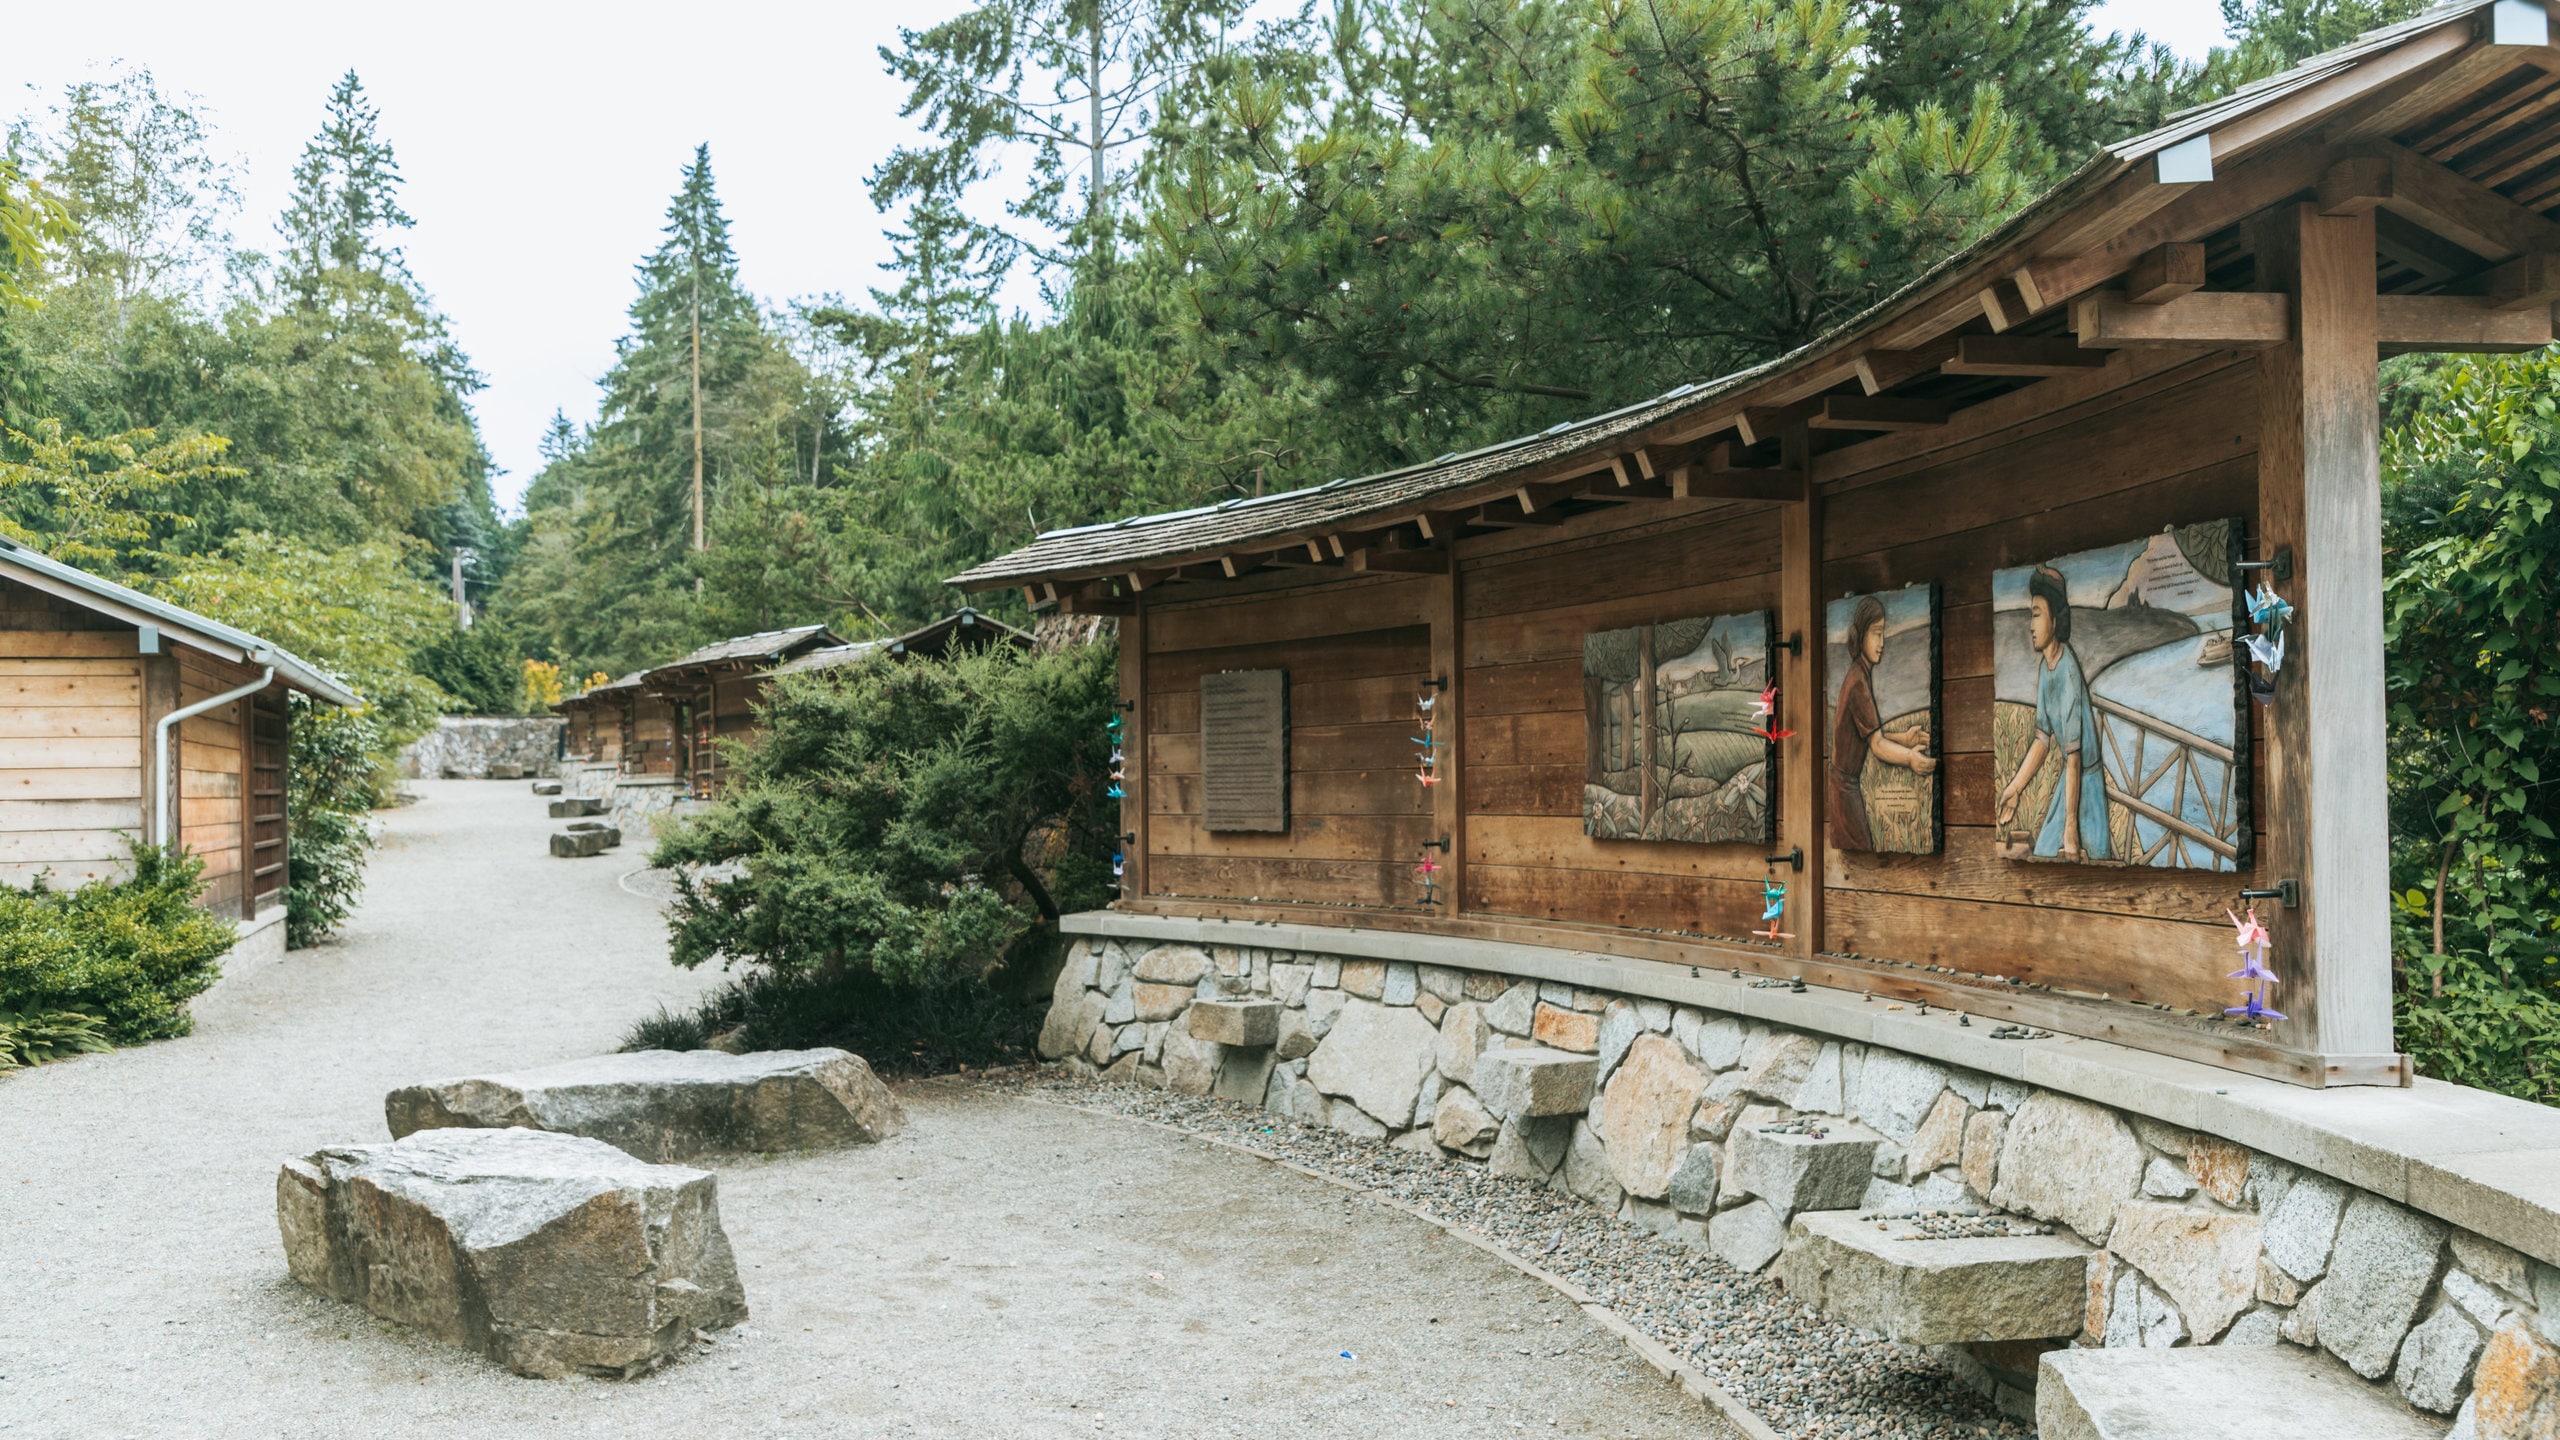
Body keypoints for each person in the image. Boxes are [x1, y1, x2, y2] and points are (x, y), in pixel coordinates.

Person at [1996, 567, 2112, 861]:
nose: (2030, 624)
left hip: (2085, 785)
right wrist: (2015, 788)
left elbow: (2074, 756)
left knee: (2084, 858)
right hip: (2070, 780)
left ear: (2055, 620)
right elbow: (2041, 739)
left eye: (2036, 614)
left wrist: (2070, 829)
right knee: (2046, 851)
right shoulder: (2046, 670)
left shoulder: (2068, 671)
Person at [1829, 594, 1936, 851]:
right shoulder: (1858, 682)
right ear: (1862, 634)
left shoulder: (1859, 673)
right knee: (1861, 846)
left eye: (1883, 633)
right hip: (1844, 790)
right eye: (1877, 633)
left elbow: (1869, 735)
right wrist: (1910, 757)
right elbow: (1877, 745)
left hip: (1844, 786)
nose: (1882, 643)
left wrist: (1905, 739)